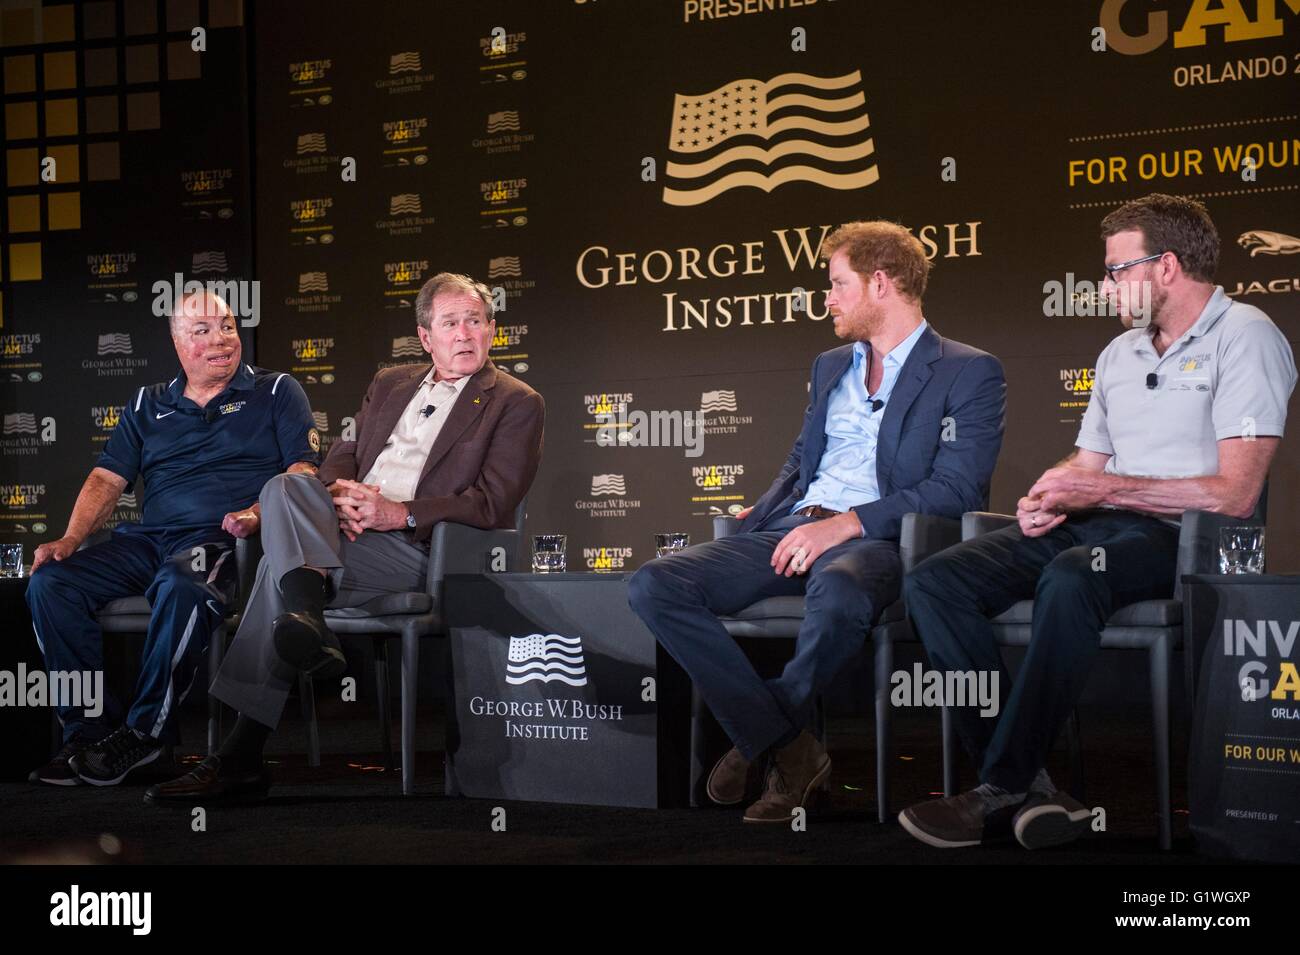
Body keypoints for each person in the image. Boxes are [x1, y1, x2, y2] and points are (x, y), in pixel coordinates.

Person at [900, 193, 1297, 850]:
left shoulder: (1247, 334)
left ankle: (1000, 783)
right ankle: (1031, 783)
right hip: (1097, 526)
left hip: (1186, 538)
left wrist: (1105, 486)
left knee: (1072, 574)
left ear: (1166, 266)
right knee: (935, 581)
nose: (1104, 284)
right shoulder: (1119, 355)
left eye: (1117, 269)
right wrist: (1054, 492)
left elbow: (1236, 492)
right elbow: (1089, 462)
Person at [628, 221, 1006, 823]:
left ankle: (766, 740)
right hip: (794, 525)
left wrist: (848, 523)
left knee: (838, 590)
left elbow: (957, 489)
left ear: (880, 283)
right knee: (655, 583)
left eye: (837, 283)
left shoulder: (968, 370)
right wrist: (767, 507)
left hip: (880, 540)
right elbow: (805, 456)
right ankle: (785, 744)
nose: (824, 298)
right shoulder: (831, 364)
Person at [146, 272, 544, 803]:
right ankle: (303, 620)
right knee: (287, 485)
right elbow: (342, 455)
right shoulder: (389, 384)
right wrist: (339, 497)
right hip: (344, 532)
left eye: (475, 321)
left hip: (422, 550)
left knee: (274, 571)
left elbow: (492, 501)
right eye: (451, 323)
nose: (464, 333)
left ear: (492, 330)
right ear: (426, 337)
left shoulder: (516, 401)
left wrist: (396, 513)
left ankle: (248, 739)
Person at [25, 291, 319, 786]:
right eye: (202, 330)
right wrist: (71, 538)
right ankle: (88, 733)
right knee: (51, 582)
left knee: (183, 586)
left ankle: (145, 737)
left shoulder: (276, 391)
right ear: (178, 342)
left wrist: (255, 512)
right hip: (147, 541)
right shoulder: (147, 401)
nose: (220, 340)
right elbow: (107, 479)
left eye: (227, 326)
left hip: (221, 539)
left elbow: (303, 472)